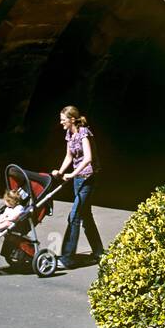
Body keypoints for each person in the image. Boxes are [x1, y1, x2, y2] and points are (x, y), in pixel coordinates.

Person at [52, 105, 104, 270]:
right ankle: (99, 252)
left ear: (72, 119)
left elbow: (88, 158)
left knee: (74, 216)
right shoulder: (69, 134)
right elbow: (69, 156)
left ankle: (68, 258)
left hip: (88, 178)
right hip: (78, 179)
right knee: (86, 216)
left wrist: (73, 174)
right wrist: (60, 172)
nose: (61, 122)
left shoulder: (83, 133)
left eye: (63, 119)